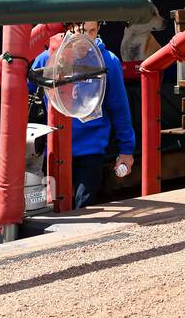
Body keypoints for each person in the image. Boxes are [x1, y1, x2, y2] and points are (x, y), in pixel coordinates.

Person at [29, 22, 135, 210]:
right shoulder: (47, 58)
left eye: (92, 31)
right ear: (69, 29)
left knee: (84, 207)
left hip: (90, 150)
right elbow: (24, 100)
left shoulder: (108, 61)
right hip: (53, 149)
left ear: (99, 30)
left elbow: (119, 108)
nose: (85, 37)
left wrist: (126, 150)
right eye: (80, 30)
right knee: (51, 209)